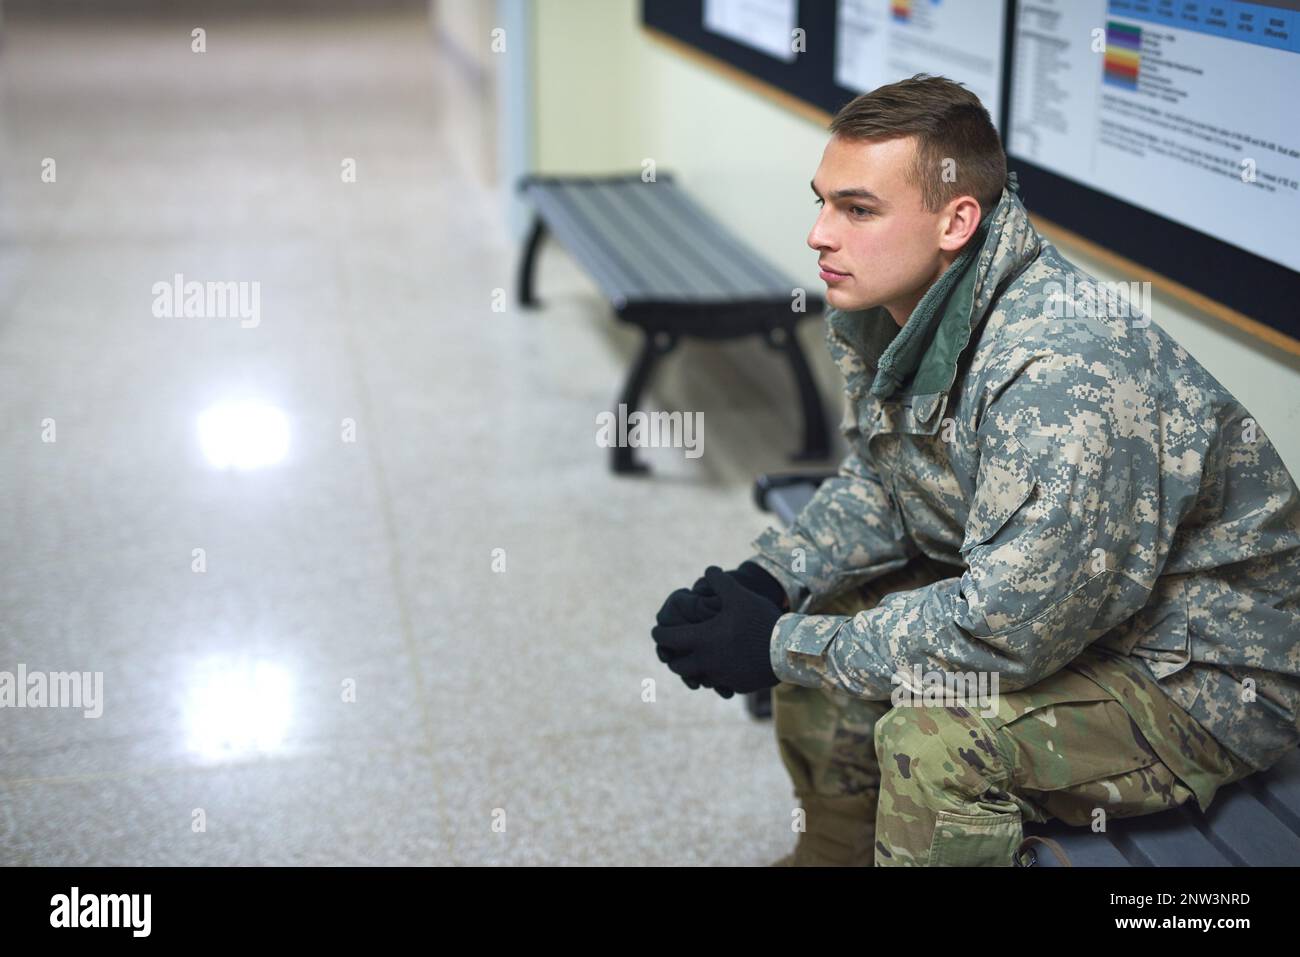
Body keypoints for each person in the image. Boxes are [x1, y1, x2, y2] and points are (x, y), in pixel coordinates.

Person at [651, 74, 1300, 866]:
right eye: (821, 202)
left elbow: (1005, 632)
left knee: (936, 741)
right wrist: (773, 577)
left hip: (1201, 671)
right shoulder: (885, 304)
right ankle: (834, 856)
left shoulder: (1058, 368)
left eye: (857, 210)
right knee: (836, 611)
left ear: (957, 220)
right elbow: (890, 481)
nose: (821, 234)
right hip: (1075, 607)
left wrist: (783, 644)